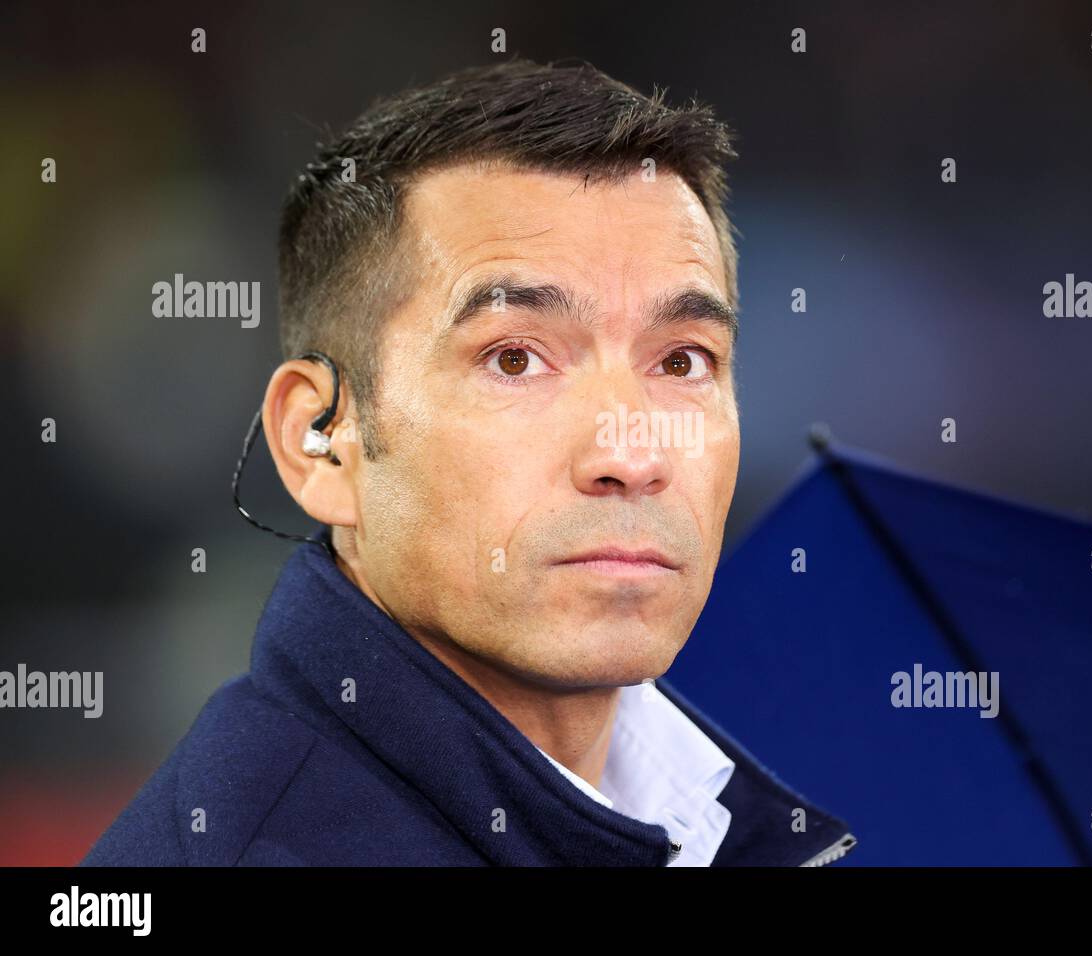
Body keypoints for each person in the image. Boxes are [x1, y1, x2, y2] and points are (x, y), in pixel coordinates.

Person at [82, 57, 856, 867]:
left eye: (683, 361)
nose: (631, 454)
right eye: (516, 360)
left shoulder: (714, 819)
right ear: (321, 439)